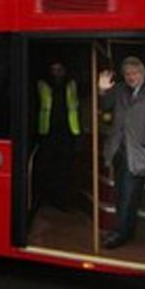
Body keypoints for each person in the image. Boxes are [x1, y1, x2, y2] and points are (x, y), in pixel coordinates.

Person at [97, 56, 145, 250]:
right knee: (121, 194)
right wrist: (102, 88)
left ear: (143, 74)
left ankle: (120, 234)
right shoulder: (119, 90)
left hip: (138, 154)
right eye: (127, 74)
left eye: (134, 73)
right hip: (119, 151)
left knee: (128, 196)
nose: (131, 77)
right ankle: (125, 230)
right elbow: (105, 104)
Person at [35, 61, 81, 211]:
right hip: (47, 132)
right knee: (48, 167)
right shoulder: (42, 84)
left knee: (65, 168)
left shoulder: (72, 84)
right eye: (53, 69)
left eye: (59, 69)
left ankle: (63, 200)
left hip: (68, 132)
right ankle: (48, 198)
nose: (56, 72)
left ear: (65, 70)